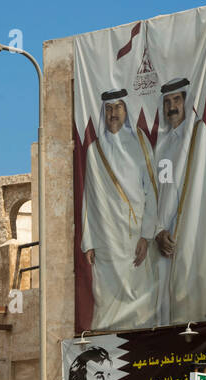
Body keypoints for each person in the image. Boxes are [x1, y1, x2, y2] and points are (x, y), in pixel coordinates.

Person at [81, 88, 158, 330]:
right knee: (105, 294)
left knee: (139, 291)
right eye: (109, 109)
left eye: (118, 107)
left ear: (126, 110)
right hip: (106, 237)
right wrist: (89, 241)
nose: (113, 113)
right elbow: (89, 197)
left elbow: (152, 191)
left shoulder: (140, 143)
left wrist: (147, 234)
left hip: (134, 235)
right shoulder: (95, 150)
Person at [153, 78, 206, 328]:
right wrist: (159, 229)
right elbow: (162, 192)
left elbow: (196, 190)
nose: (172, 107)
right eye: (167, 102)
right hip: (166, 236)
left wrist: (177, 231)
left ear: (186, 101)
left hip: (193, 229)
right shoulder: (162, 145)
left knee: (194, 295)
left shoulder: (197, 133)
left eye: (176, 100)